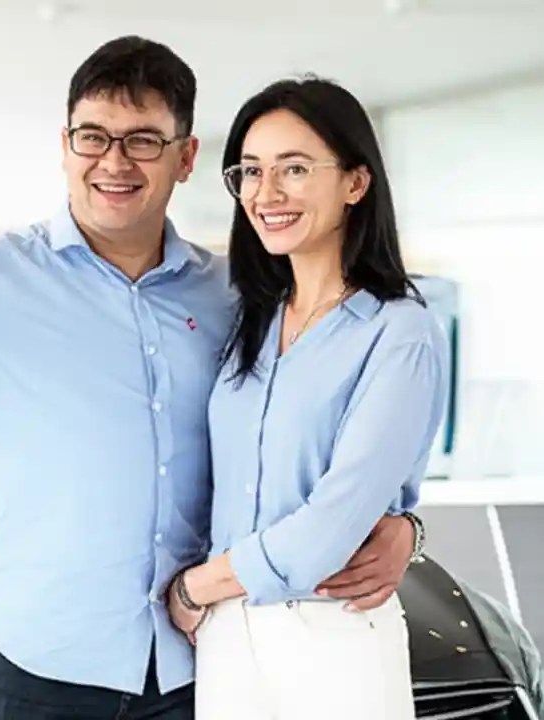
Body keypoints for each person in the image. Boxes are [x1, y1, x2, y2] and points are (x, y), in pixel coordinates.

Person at [0, 36, 423, 720]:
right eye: (93, 137)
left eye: (143, 140)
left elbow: (313, 438)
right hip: (35, 668)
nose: (114, 161)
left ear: (186, 157)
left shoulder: (237, 295)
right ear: (64, 145)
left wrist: (402, 521)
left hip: (196, 667)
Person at [166, 77, 449, 720]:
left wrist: (194, 587)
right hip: (227, 638)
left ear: (355, 182)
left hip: (329, 631)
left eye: (294, 168)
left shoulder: (398, 331)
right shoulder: (252, 321)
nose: (267, 194)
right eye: (251, 171)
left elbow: (335, 520)